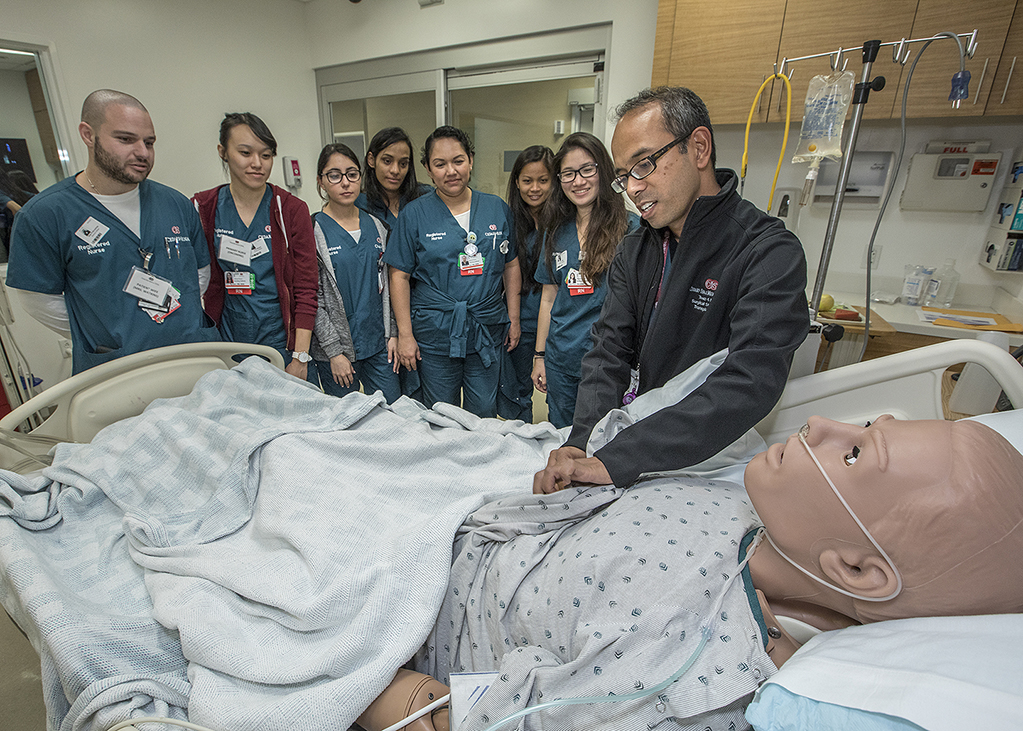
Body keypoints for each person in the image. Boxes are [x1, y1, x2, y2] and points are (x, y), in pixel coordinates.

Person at [411, 413, 1023, 730]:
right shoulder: (747, 506)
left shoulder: (683, 681)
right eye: (866, 424)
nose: (822, 426)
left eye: (857, 453)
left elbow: (468, 718)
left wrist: (387, 684)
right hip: (482, 513)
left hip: (423, 589)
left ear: (858, 569)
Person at [534, 86, 809, 493]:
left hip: (710, 458)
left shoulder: (765, 252)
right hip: (633, 443)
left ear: (698, 148)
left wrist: (619, 459)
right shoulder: (635, 250)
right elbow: (609, 351)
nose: (633, 188)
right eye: (623, 176)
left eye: (644, 165)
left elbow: (749, 380)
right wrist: (581, 442)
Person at [6, 89, 218, 374]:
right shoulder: (45, 214)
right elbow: (38, 299)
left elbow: (199, 274)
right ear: (88, 135)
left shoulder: (175, 203)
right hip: (116, 365)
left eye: (149, 142)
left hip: (193, 354)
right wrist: (102, 331)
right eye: (125, 139)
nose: (142, 152)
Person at [383, 125, 521, 417]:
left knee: (483, 411)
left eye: (458, 161)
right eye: (440, 164)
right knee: (440, 412)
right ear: (428, 169)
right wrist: (405, 334)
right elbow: (399, 276)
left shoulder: (496, 208)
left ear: (470, 160)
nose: (451, 171)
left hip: (485, 327)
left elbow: (511, 265)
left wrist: (514, 318)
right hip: (435, 331)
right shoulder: (414, 214)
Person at [193, 113, 318, 379]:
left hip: (279, 340)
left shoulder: (290, 210)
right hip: (226, 338)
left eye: (266, 155)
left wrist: (300, 357)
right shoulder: (204, 208)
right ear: (223, 152)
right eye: (245, 153)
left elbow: (306, 288)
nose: (257, 164)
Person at [530, 133, 640, 428]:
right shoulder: (557, 231)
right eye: (568, 173)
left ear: (603, 170)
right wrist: (539, 356)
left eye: (587, 169)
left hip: (608, 359)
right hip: (561, 357)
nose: (578, 181)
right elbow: (549, 297)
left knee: (603, 436)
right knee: (562, 434)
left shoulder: (631, 229)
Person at [309, 142, 400, 402]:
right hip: (336, 352)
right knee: (346, 418)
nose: (345, 183)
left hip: (379, 345)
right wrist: (334, 353)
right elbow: (312, 298)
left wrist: (393, 333)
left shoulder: (379, 227)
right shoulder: (313, 231)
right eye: (334, 176)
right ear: (321, 181)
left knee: (392, 410)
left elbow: (391, 287)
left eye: (352, 174)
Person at [497, 145, 554, 422]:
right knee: (517, 393)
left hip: (557, 324)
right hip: (520, 321)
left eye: (543, 180)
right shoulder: (509, 220)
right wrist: (513, 320)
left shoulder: (565, 223)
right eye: (527, 180)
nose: (535, 188)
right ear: (517, 182)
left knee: (559, 392)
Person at [355, 127, 431, 232]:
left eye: (403, 164)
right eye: (387, 161)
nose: (395, 170)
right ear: (371, 160)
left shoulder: (425, 197)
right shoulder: (359, 204)